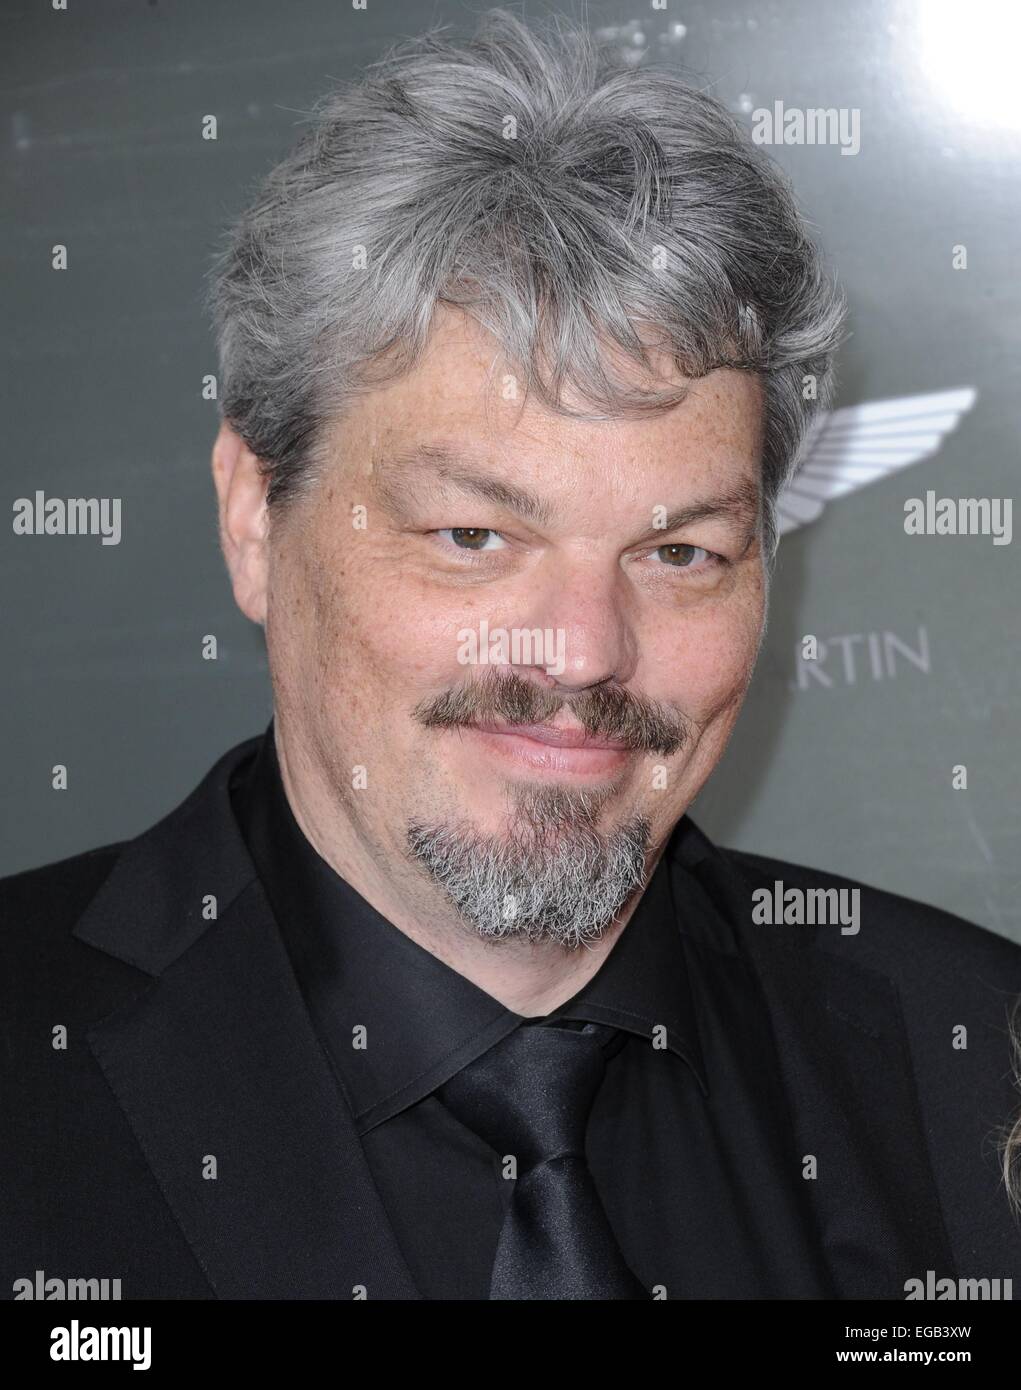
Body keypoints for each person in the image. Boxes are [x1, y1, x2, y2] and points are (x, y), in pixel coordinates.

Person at [3, 8, 1020, 1301]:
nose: (582, 650)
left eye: (680, 553)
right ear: (253, 514)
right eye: (475, 532)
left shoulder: (977, 1064)